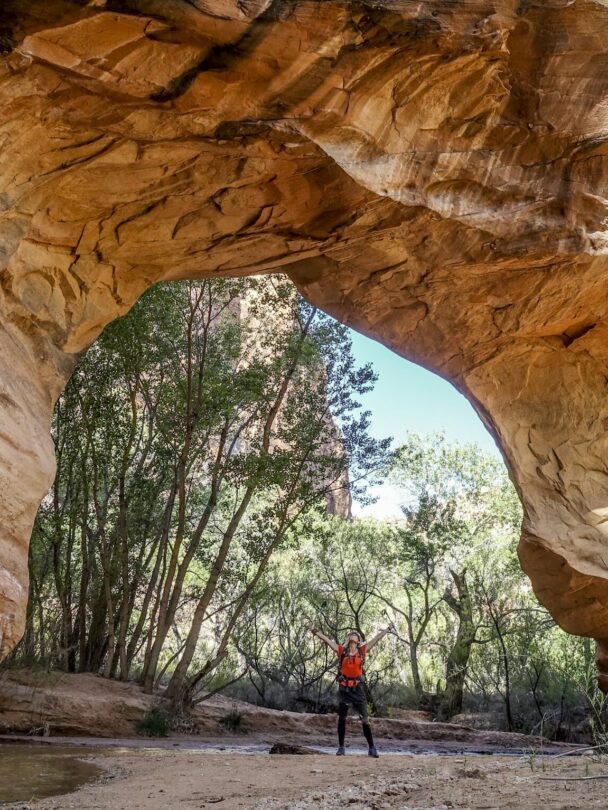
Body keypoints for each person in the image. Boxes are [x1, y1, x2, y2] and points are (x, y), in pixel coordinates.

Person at [310, 625, 392, 757]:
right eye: (350, 635)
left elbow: (376, 639)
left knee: (365, 719)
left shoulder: (362, 651)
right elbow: (328, 641)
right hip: (344, 689)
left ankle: (372, 748)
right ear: (348, 639)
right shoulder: (341, 650)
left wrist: (387, 629)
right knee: (342, 718)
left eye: (355, 635)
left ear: (358, 640)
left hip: (357, 689)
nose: (352, 636)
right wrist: (316, 632)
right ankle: (341, 748)